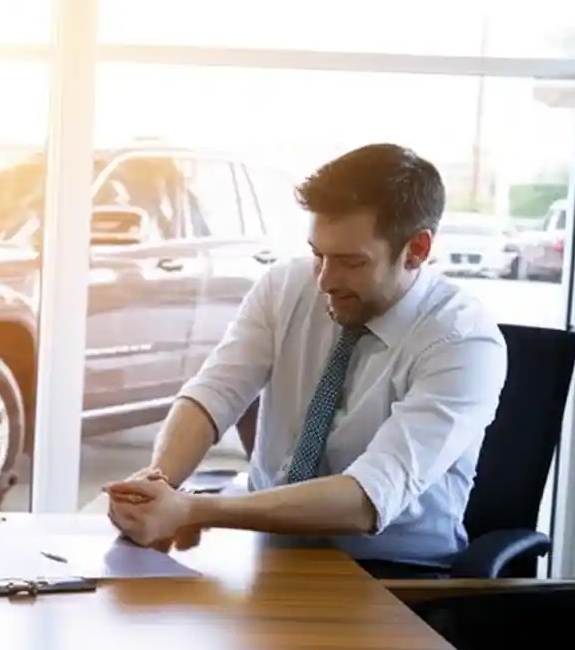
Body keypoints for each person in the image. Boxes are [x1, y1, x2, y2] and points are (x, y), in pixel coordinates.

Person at [104, 143, 508, 578]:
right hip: (264, 551)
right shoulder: (284, 286)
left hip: (393, 573)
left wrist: (193, 511)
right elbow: (215, 394)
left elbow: (365, 500)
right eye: (319, 253)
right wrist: (157, 487)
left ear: (417, 249)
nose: (325, 281)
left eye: (352, 262)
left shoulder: (463, 341)